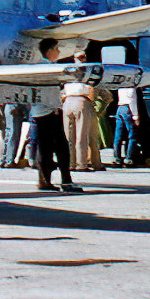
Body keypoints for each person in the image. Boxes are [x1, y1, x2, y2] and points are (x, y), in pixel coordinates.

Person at [34, 39, 81, 193]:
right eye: (57, 49)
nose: (59, 52)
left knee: (44, 148)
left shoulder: (36, 67)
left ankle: (44, 180)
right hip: (50, 111)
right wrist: (55, 107)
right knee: (61, 147)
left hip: (38, 112)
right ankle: (66, 180)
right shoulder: (49, 68)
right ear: (50, 50)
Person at [61, 50, 101, 171]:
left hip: (67, 101)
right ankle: (81, 163)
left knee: (69, 135)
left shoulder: (67, 70)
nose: (83, 59)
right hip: (81, 100)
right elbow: (91, 90)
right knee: (82, 135)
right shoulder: (88, 70)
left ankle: (70, 163)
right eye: (81, 57)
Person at [112, 85, 141, 167]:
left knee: (118, 135)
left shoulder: (121, 87)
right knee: (132, 135)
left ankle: (116, 157)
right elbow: (132, 101)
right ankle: (129, 158)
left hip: (120, 108)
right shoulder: (131, 88)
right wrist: (136, 116)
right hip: (128, 109)